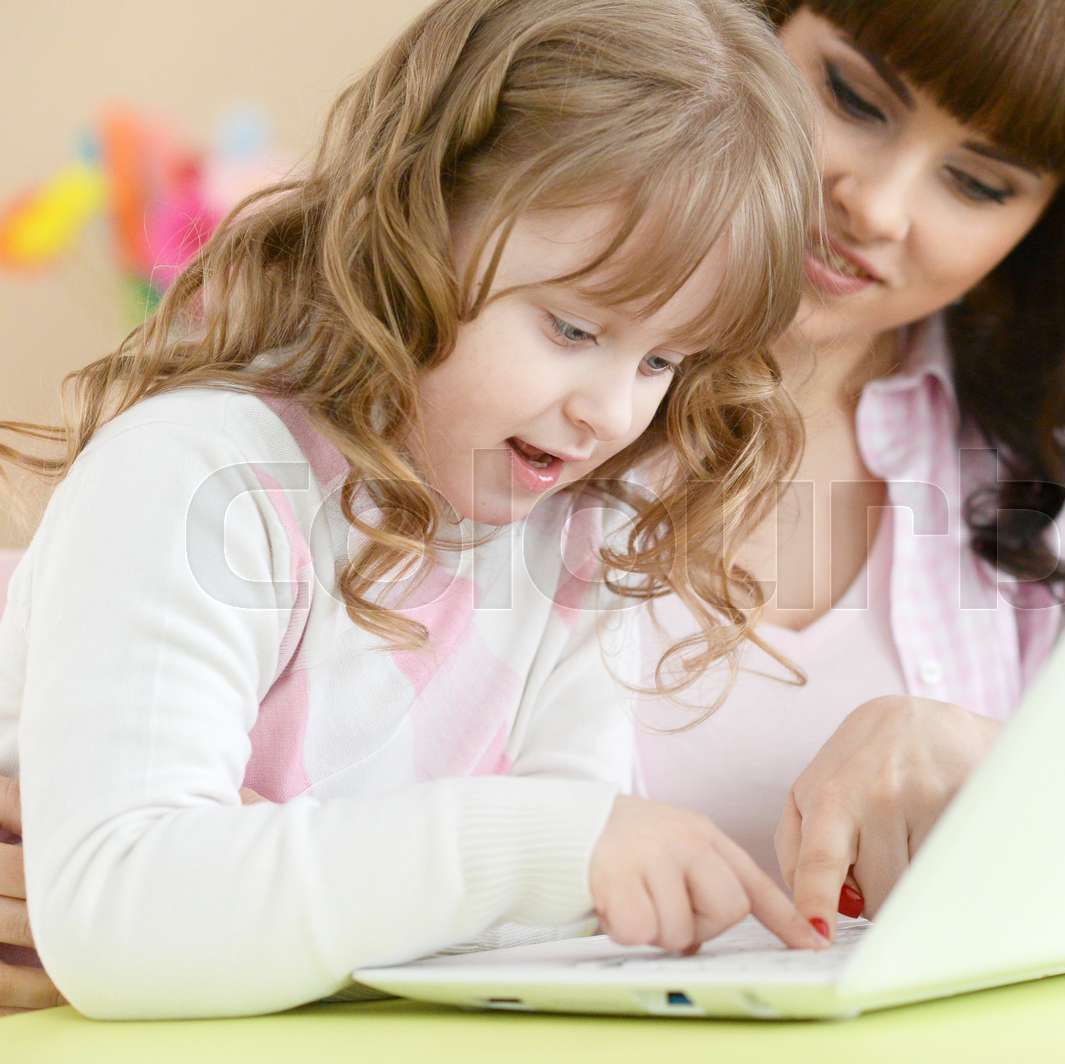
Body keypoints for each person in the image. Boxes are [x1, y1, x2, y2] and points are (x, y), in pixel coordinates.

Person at [0, 0, 829, 1019]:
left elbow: (565, 916)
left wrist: (274, 871)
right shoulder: (200, 475)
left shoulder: (578, 540)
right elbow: (125, 922)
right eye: (572, 329)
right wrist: (515, 852)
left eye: (662, 359)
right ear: (415, 228)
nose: (612, 412)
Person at [633, 0, 1065, 940]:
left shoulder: (1058, 456)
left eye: (978, 184)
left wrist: (1002, 765)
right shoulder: (502, 374)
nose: (877, 207)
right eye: (852, 97)